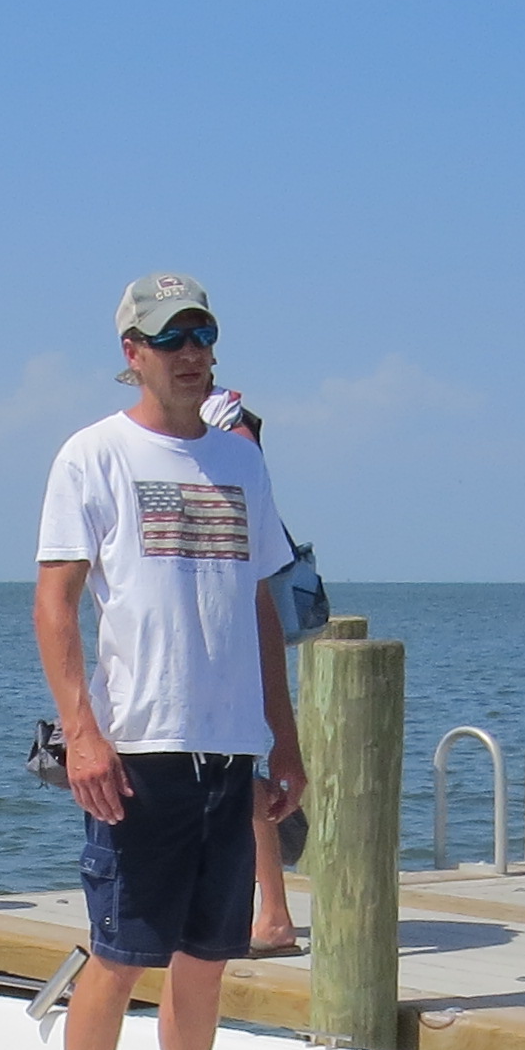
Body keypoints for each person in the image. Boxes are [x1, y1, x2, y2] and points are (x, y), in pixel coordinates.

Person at [35, 271, 307, 1050]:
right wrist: (83, 732)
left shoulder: (242, 462)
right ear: (133, 354)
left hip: (228, 751)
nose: (191, 353)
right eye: (170, 338)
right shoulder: (92, 456)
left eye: (202, 336)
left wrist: (285, 736)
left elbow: (263, 607)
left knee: (205, 960)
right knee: (117, 957)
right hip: (138, 751)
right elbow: (56, 604)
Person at [204, 385, 308, 958]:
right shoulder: (232, 432)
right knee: (235, 776)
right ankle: (262, 911)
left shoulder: (225, 430)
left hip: (236, 635)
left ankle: (272, 915)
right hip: (233, 632)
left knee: (240, 777)